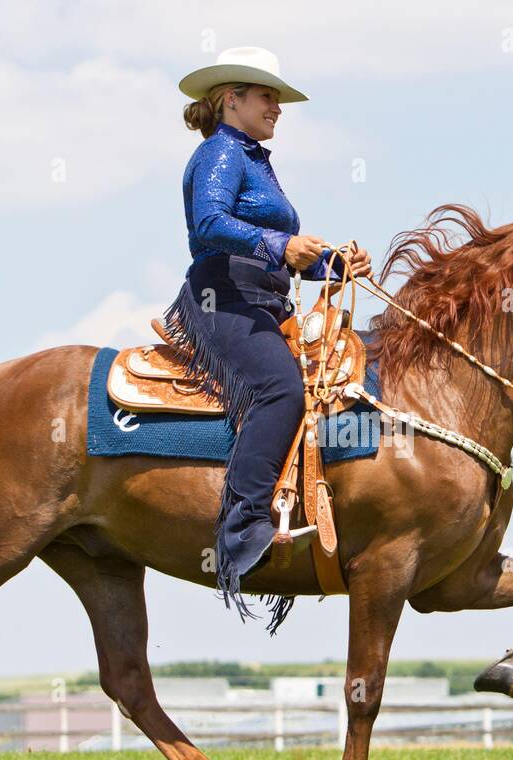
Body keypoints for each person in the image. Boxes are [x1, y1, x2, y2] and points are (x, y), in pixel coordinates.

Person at [166, 47, 373, 621]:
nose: (277, 107)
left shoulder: (256, 158)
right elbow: (209, 223)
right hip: (222, 297)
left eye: (278, 98)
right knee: (281, 388)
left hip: (262, 297)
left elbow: (285, 257)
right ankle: (242, 529)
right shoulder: (220, 152)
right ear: (231, 99)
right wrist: (281, 245)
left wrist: (335, 265)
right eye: (266, 96)